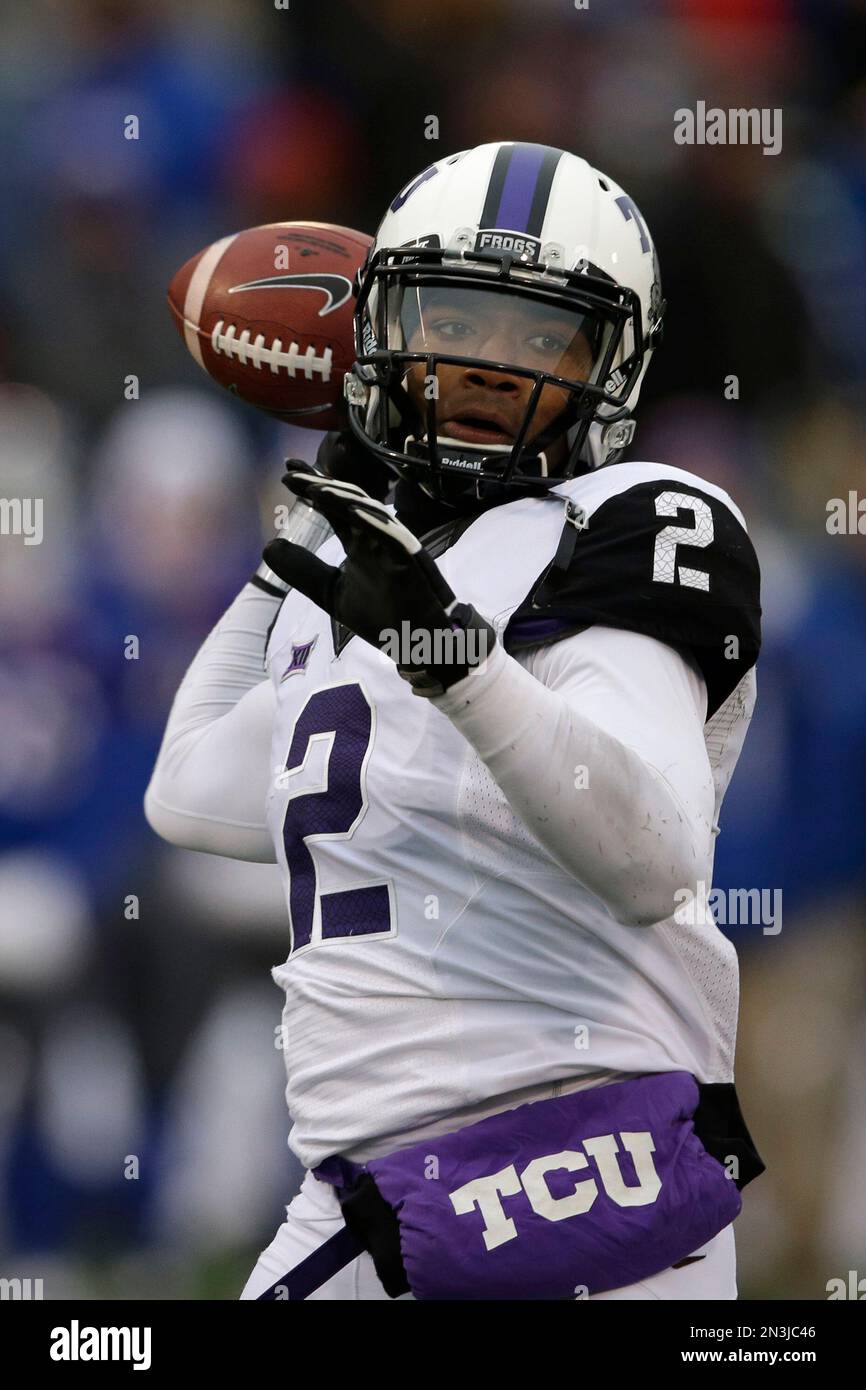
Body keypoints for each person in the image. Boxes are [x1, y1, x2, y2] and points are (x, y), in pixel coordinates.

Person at [145, 142, 764, 1300]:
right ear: (379, 332)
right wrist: (299, 552)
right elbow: (183, 790)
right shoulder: (361, 560)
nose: (490, 366)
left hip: (569, 1157)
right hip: (386, 1173)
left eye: (543, 338)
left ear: (613, 366)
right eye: (455, 321)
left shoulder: (624, 516)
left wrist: (450, 655)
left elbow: (654, 855)